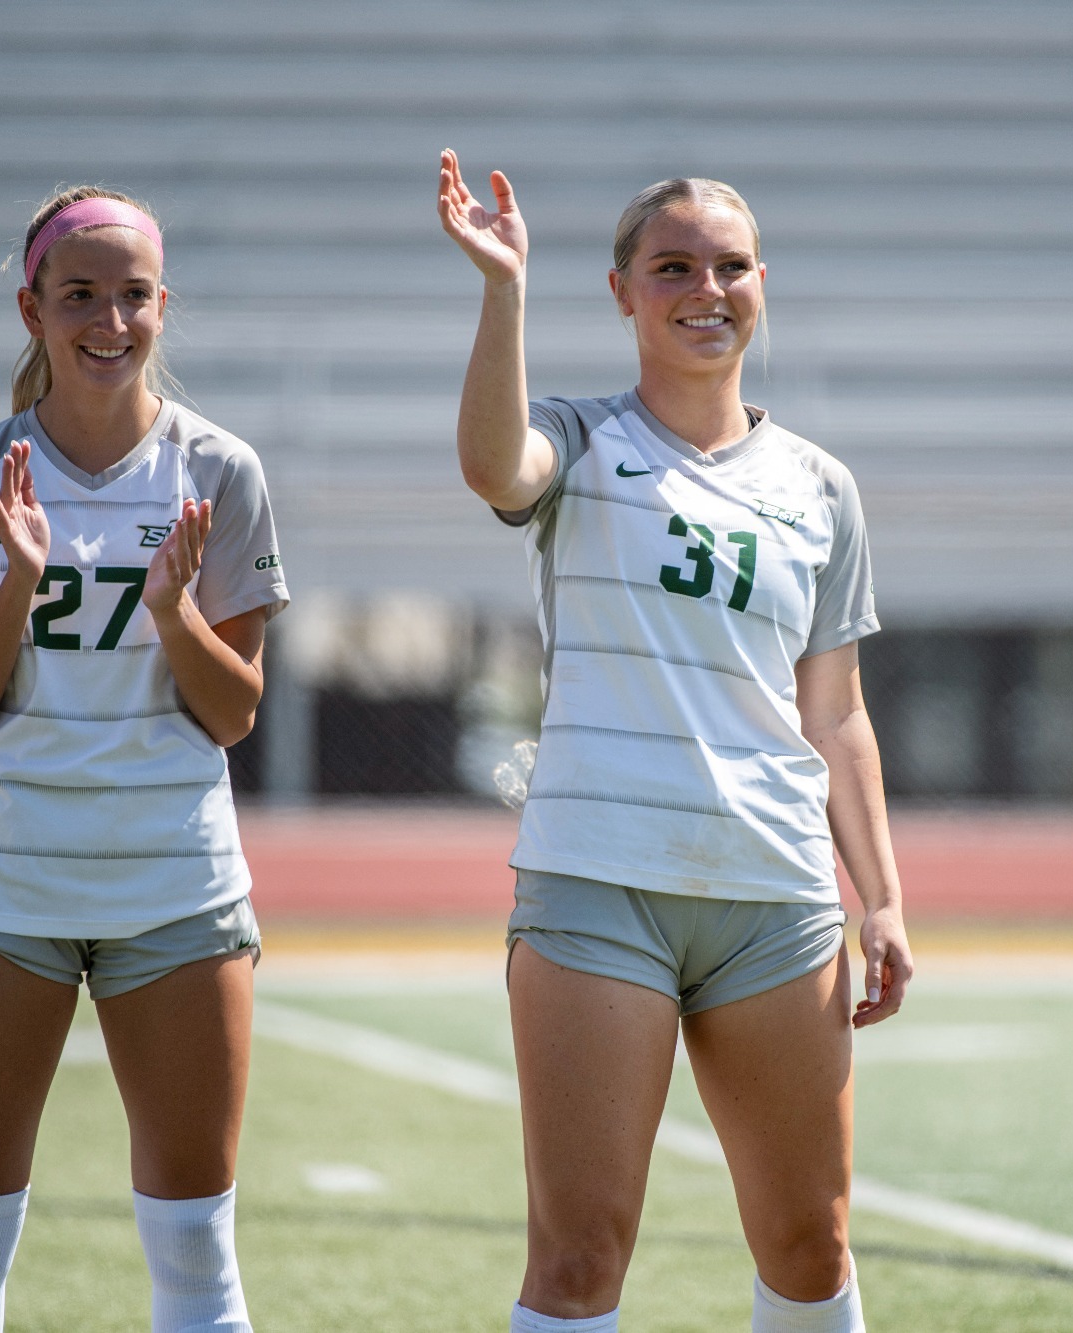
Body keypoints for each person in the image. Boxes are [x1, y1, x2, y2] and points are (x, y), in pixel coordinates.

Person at [438, 150, 913, 1333]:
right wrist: (503, 291)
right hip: (599, 883)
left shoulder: (819, 485)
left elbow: (835, 709)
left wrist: (883, 898)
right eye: (671, 268)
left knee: (810, 1243)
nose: (705, 288)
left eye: (729, 266)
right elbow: (494, 465)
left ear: (763, 283)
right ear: (620, 293)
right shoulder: (580, 440)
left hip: (772, 889)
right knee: (580, 1256)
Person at [0, 187, 286, 1333]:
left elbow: (234, 714)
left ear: (164, 307)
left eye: (131, 296)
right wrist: (18, 581)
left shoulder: (220, 471)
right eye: (79, 295)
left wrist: (175, 617)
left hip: (175, 886)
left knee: (196, 1257)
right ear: (31, 308)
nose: (107, 321)